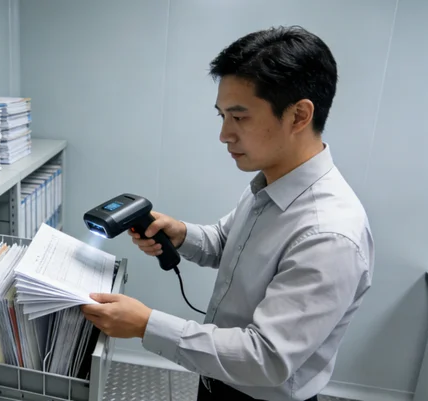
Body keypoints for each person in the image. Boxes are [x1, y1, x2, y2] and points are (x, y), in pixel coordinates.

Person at [80, 26, 374, 401]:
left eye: (240, 118)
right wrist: (181, 233)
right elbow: (225, 242)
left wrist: (145, 325)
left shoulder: (329, 235)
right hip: (216, 378)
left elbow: (266, 358)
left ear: (299, 115)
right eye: (222, 115)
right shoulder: (270, 183)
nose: (224, 134)